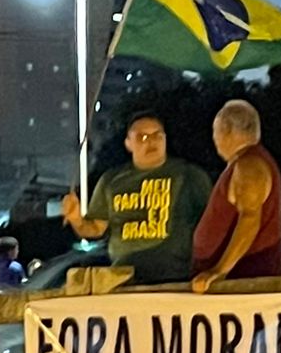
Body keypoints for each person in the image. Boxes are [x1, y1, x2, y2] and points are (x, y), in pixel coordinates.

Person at [61, 112, 212, 284]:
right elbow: (95, 228)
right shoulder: (111, 180)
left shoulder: (188, 175)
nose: (151, 141)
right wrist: (76, 220)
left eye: (157, 135)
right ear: (128, 143)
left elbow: (211, 225)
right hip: (124, 278)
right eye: (142, 137)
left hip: (176, 278)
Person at [191, 100, 281, 293]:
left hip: (244, 279)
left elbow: (250, 219)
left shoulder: (249, 165)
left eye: (215, 131)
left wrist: (219, 270)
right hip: (236, 280)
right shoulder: (244, 163)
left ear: (225, 130)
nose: (214, 139)